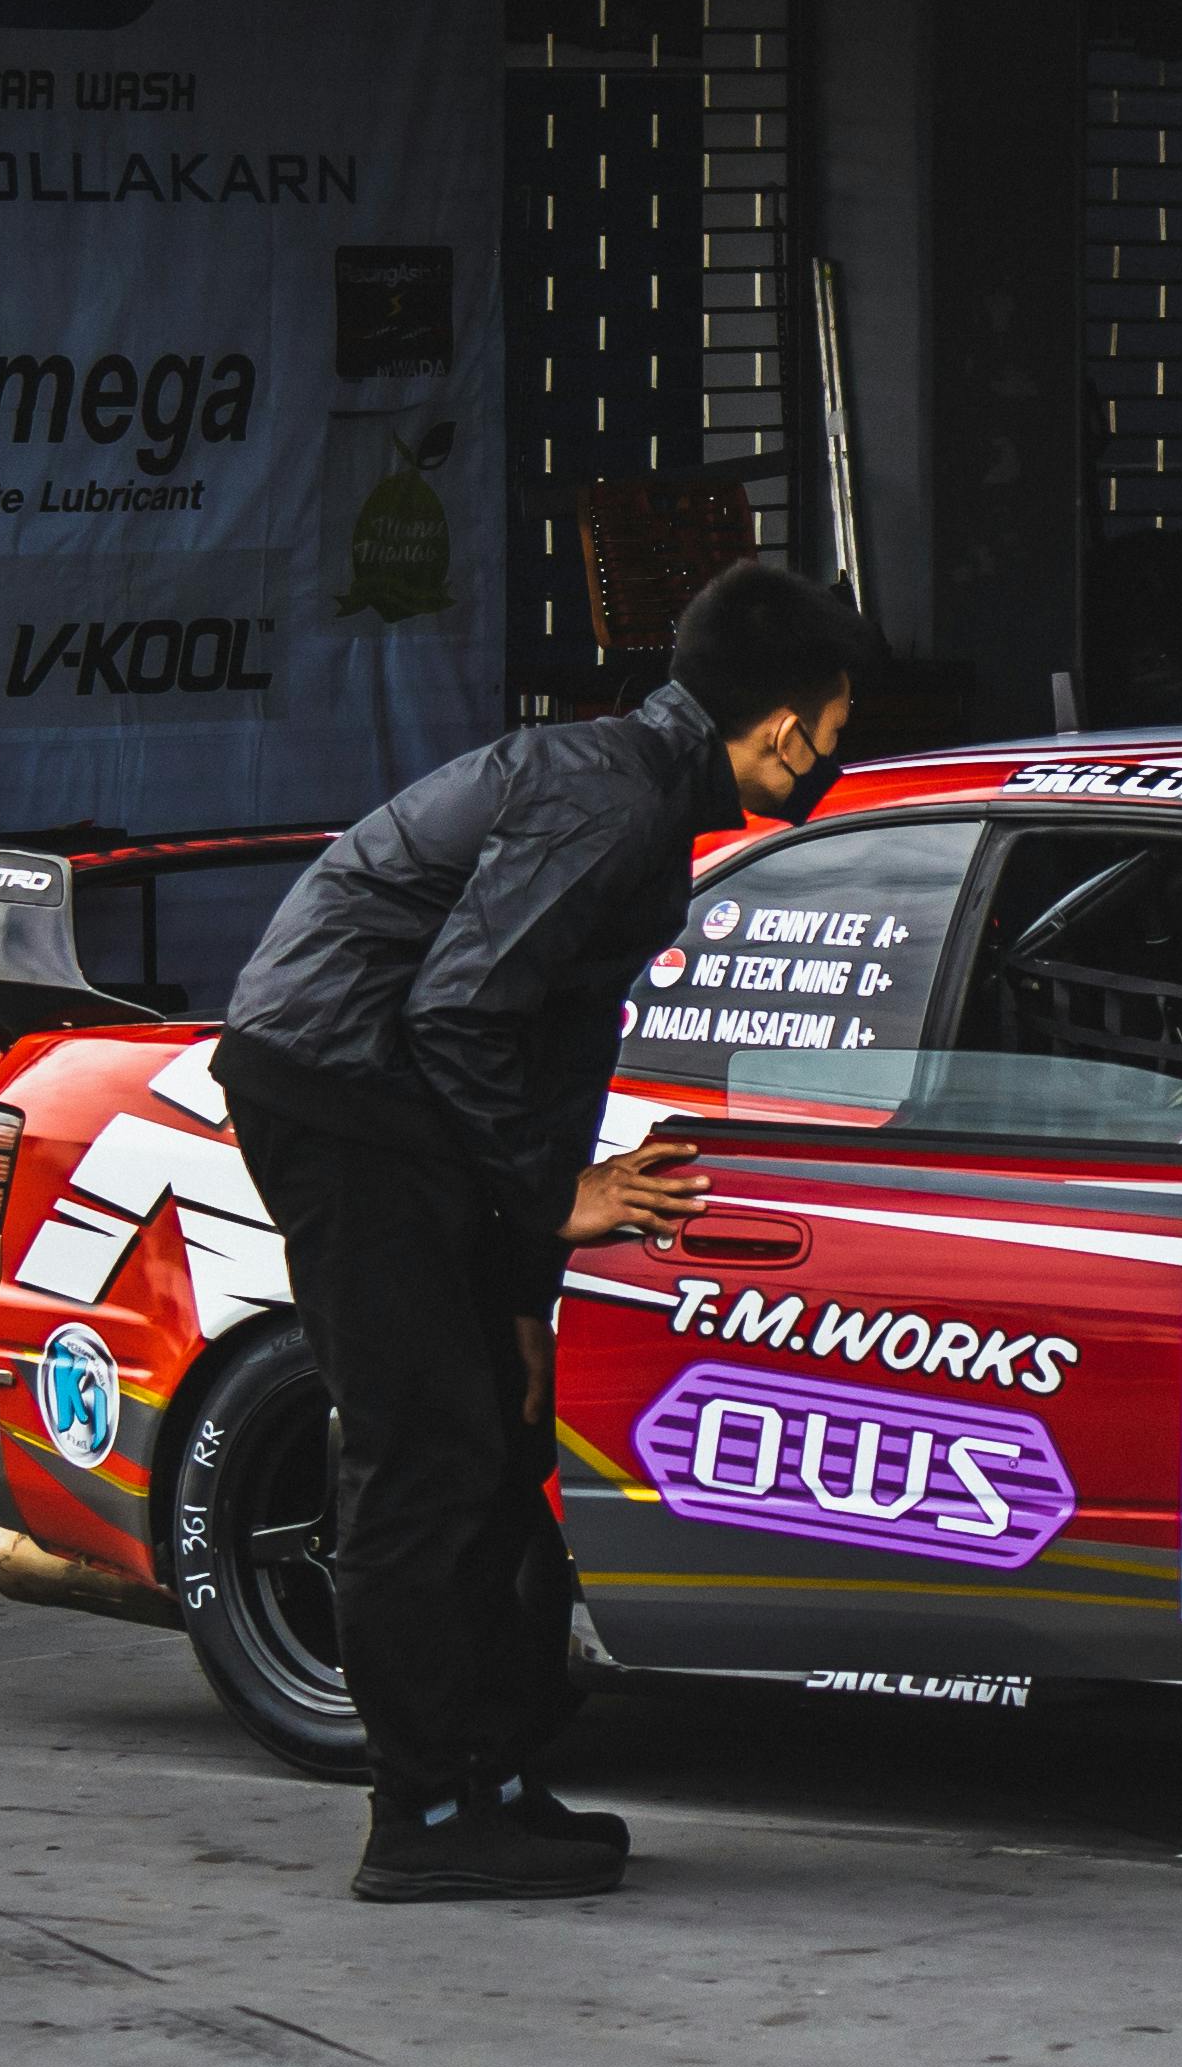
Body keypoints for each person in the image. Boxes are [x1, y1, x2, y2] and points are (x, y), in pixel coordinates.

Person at [218, 559, 869, 1902]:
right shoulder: (611, 799)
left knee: (502, 1436)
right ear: (790, 727)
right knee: (423, 1453)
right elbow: (459, 1015)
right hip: (339, 1092)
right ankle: (422, 1819)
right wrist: (569, 1202)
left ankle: (495, 1778)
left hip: (404, 1104)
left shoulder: (643, 793)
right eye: (841, 725)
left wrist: (524, 1287)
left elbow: (538, 1057)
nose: (837, 750)